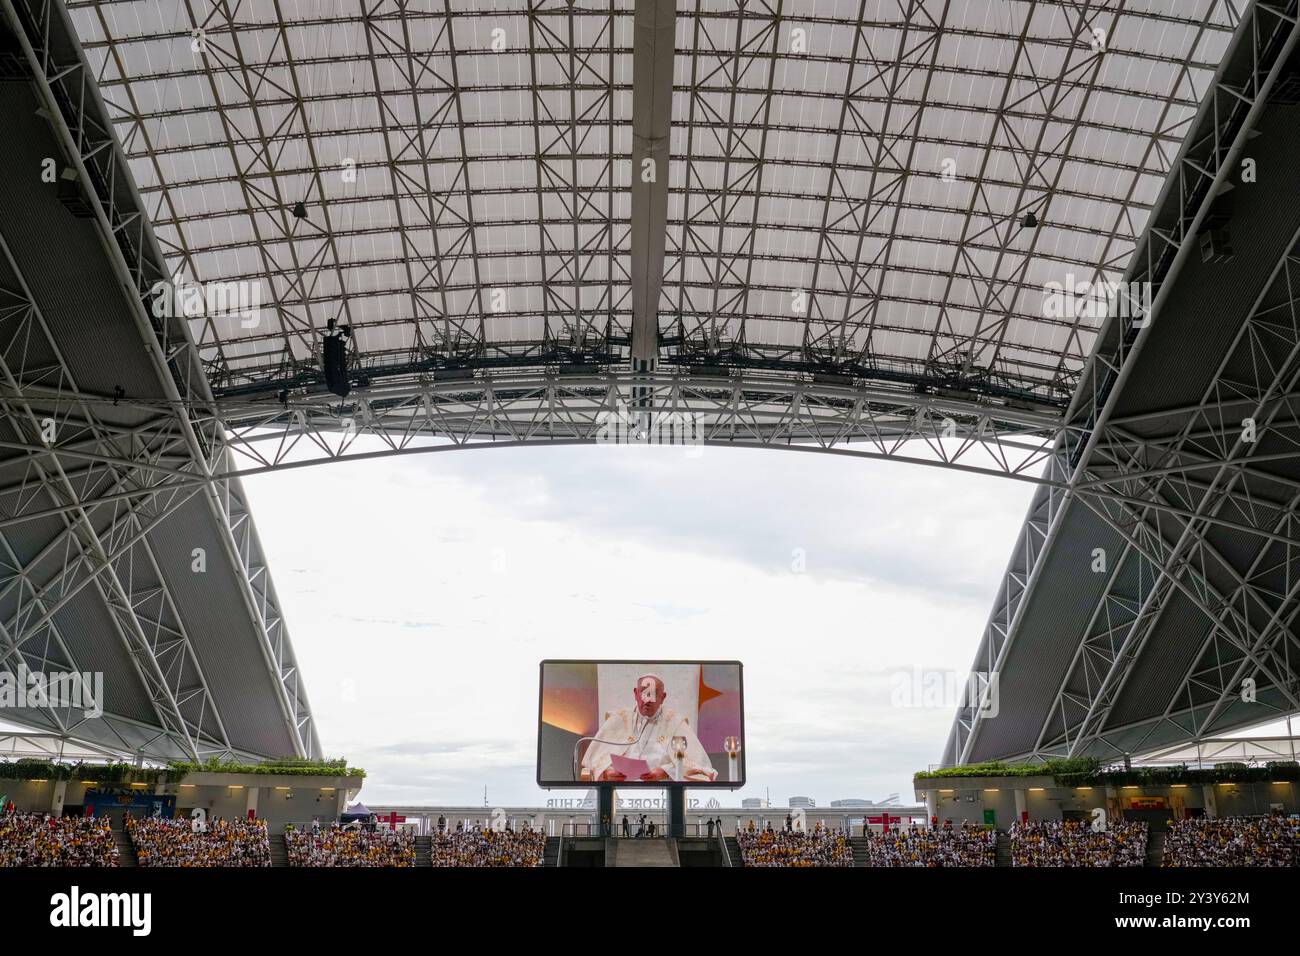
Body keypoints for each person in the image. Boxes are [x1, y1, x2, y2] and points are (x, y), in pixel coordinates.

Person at [580, 674, 717, 782]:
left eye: (654, 694)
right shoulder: (619, 720)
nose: (648, 700)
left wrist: (665, 772)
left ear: (663, 697)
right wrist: (607, 773)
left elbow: (698, 767)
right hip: (620, 791)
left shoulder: (675, 723)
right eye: (644, 692)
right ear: (635, 693)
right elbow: (594, 764)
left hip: (662, 793)